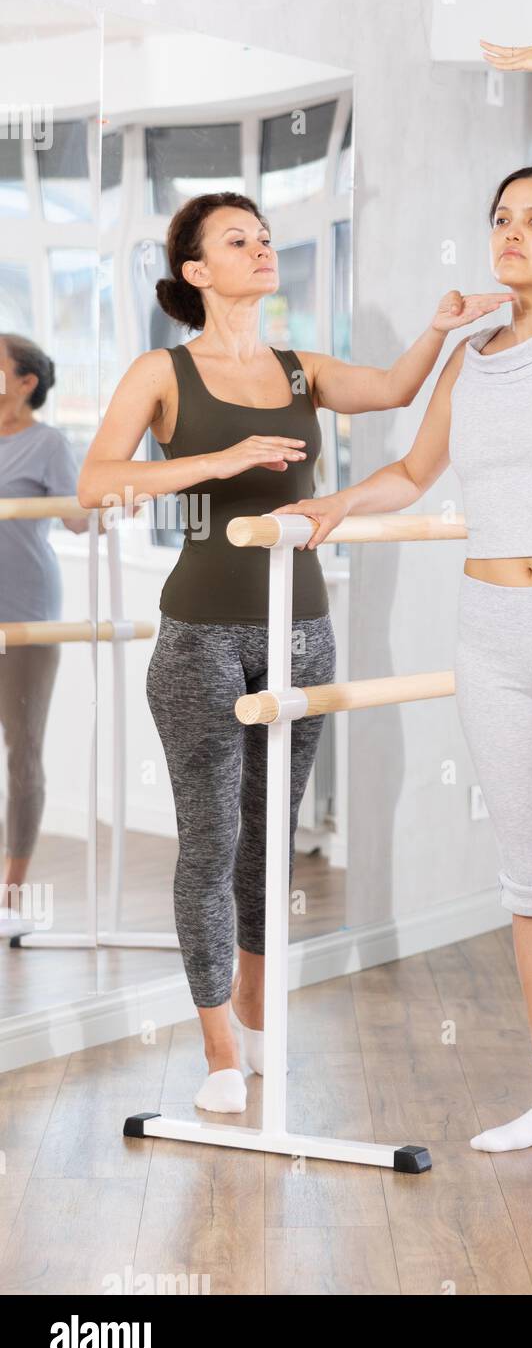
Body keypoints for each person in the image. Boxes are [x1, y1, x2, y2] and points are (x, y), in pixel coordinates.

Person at [280, 42, 532, 1206]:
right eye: (500, 217)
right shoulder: (471, 351)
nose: (511, 233)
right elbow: (412, 470)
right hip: (494, 634)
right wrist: (331, 508)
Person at [78, 190, 509, 1112]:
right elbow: (98, 482)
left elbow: (393, 389)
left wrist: (441, 332)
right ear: (196, 271)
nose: (262, 249)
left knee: (268, 846)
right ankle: (220, 1054)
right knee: (212, 841)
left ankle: (265, 1027)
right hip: (201, 632)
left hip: (303, 630)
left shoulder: (300, 368)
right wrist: (216, 463)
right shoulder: (161, 370)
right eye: (239, 240)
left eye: (266, 237)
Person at [0, 335, 90, 939]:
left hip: (25, 614)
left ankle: (11, 894)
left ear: (25, 381)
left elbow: (78, 519)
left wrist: (109, 502)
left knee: (22, 752)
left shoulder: (47, 442)